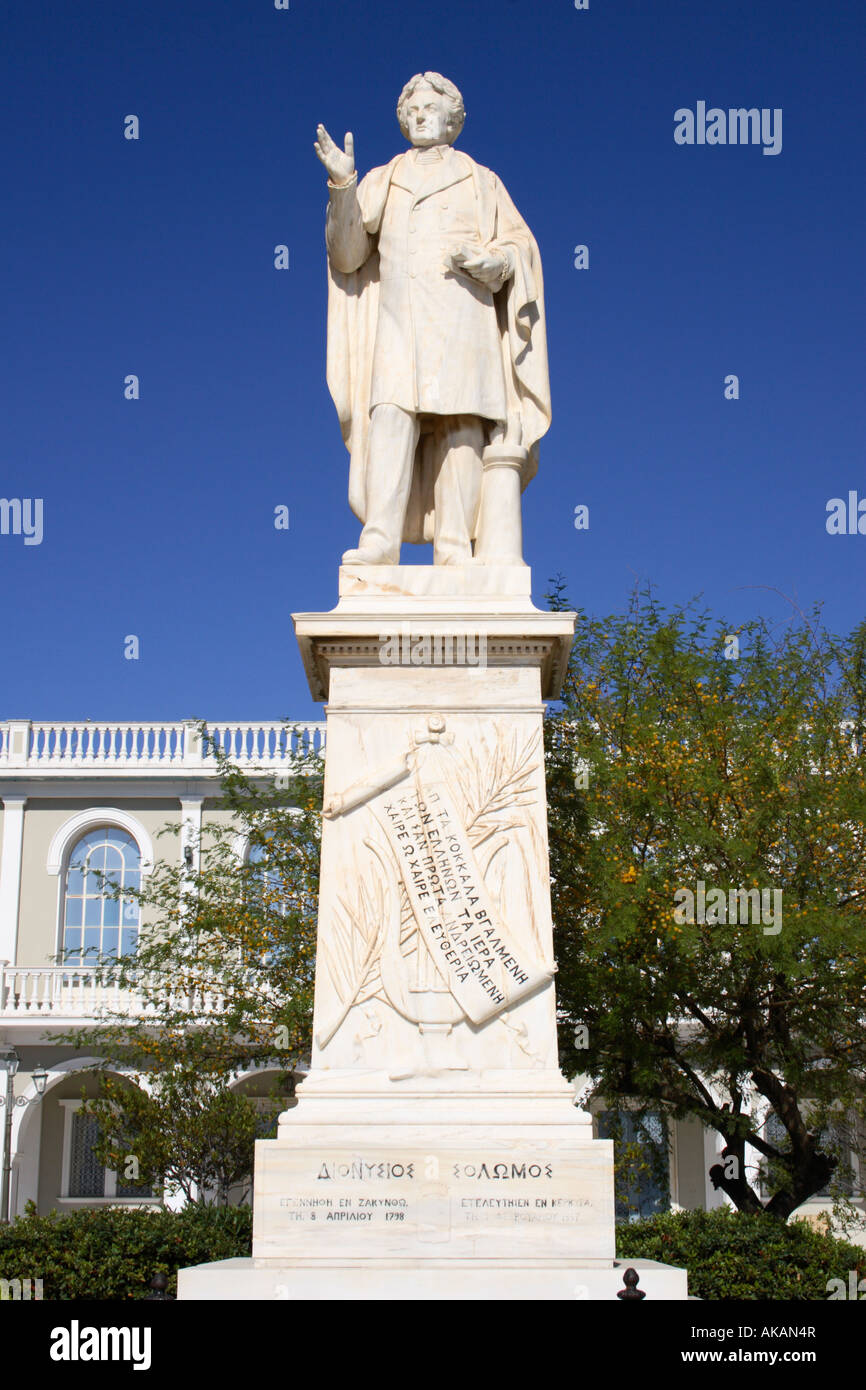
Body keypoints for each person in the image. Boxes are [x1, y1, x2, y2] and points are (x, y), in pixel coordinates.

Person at [316, 72, 551, 566]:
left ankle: (453, 547)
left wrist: (499, 264)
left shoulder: (481, 180)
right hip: (399, 318)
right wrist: (343, 185)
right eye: (412, 110)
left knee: (462, 422)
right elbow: (348, 254)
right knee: (391, 416)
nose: (420, 116)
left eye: (430, 108)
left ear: (454, 119)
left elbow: (520, 244)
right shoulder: (385, 177)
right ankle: (380, 540)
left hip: (464, 314)